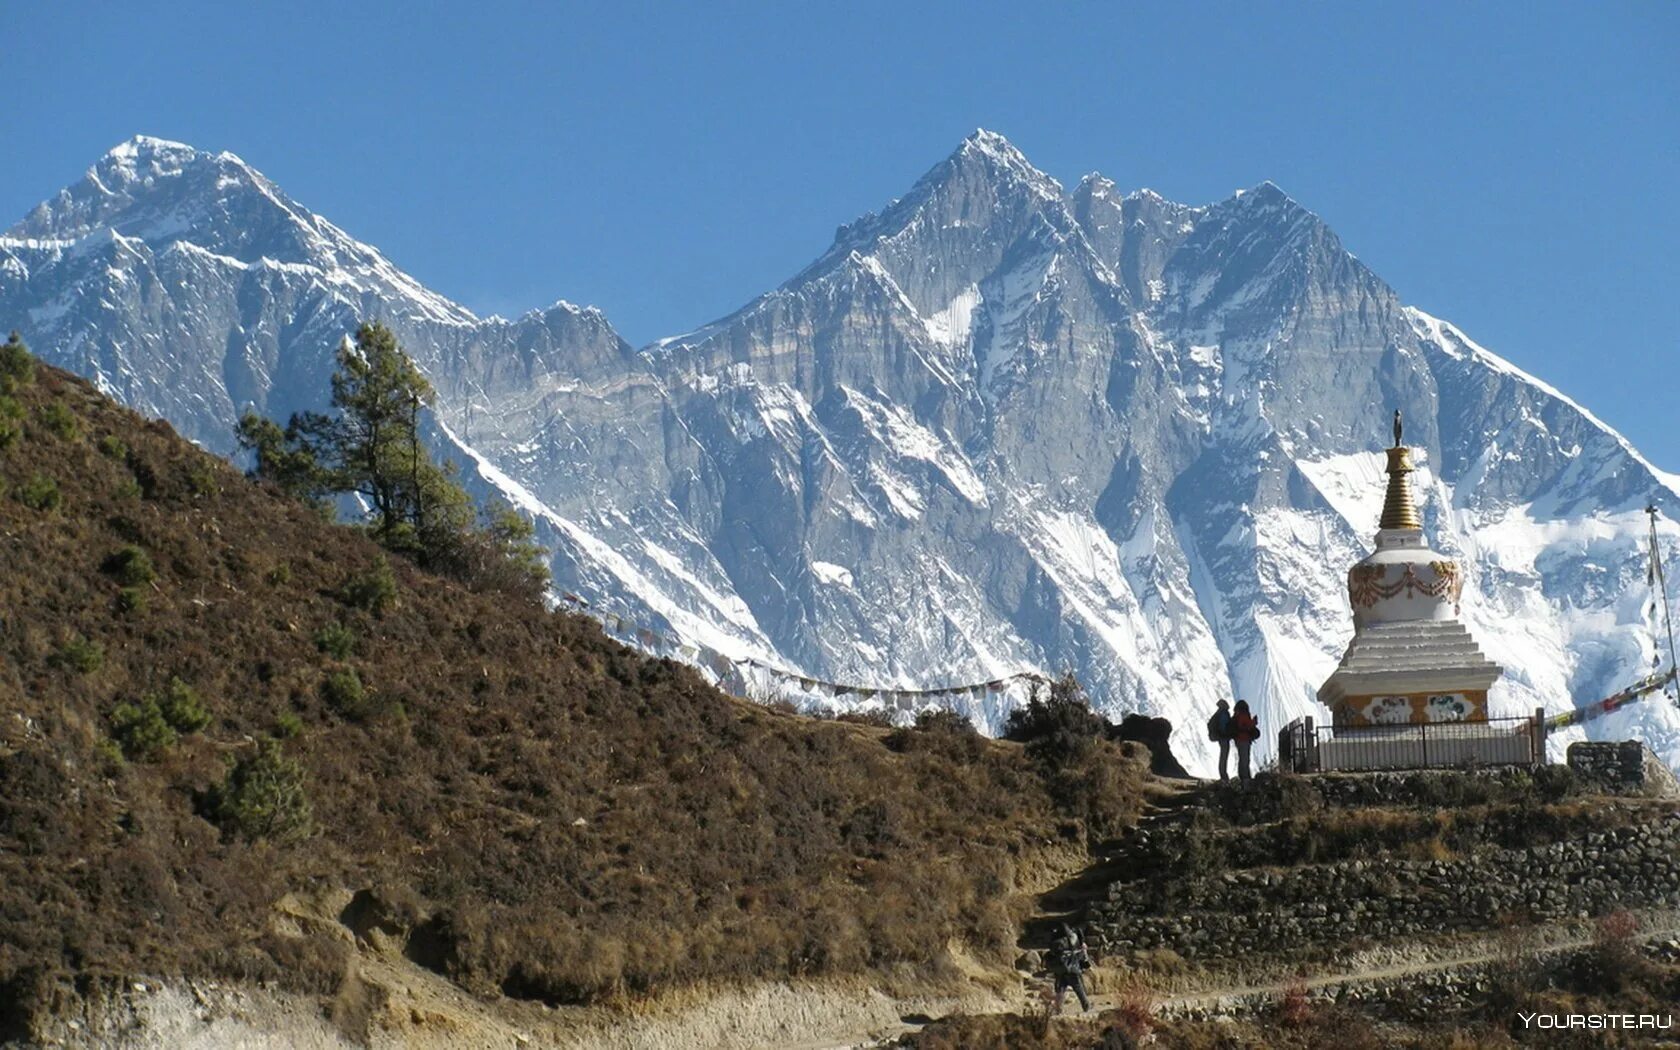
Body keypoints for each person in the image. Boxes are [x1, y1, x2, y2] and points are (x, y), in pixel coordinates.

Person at [1050, 923, 1091, 1014]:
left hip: (1060, 970)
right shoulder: (1074, 938)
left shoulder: (1057, 942)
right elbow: (1080, 947)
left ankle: (1058, 1010)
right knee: (1079, 989)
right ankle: (1086, 1007)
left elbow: (1051, 952)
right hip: (1073, 968)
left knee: (1060, 990)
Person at [1230, 700, 1260, 784]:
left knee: (1242, 758)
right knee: (1245, 759)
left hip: (1239, 740)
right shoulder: (1243, 715)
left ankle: (1242, 776)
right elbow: (1246, 726)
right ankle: (1245, 778)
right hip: (1243, 739)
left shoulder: (1237, 715)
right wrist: (1254, 722)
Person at [1207, 700, 1232, 781]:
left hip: (1221, 738)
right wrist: (1226, 734)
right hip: (1224, 738)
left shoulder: (1218, 713)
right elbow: (1224, 725)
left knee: (1223, 757)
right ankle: (1224, 776)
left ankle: (1223, 775)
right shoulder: (1224, 713)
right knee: (1224, 757)